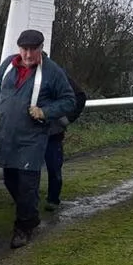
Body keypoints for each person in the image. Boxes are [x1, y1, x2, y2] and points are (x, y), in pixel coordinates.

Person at [0, 29, 76, 248]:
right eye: (24, 49)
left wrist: (45, 112)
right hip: (7, 134)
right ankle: (31, 214)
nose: (28, 55)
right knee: (10, 180)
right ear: (19, 49)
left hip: (32, 137)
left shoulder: (52, 71)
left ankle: (23, 228)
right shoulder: (9, 64)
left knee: (27, 184)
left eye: (33, 50)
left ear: (40, 49)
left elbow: (69, 101)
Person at [43, 72, 87, 210]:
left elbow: (80, 96)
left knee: (54, 167)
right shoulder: (22, 74)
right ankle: (28, 201)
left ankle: (53, 199)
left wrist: (68, 118)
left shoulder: (56, 74)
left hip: (53, 131)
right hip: (30, 132)